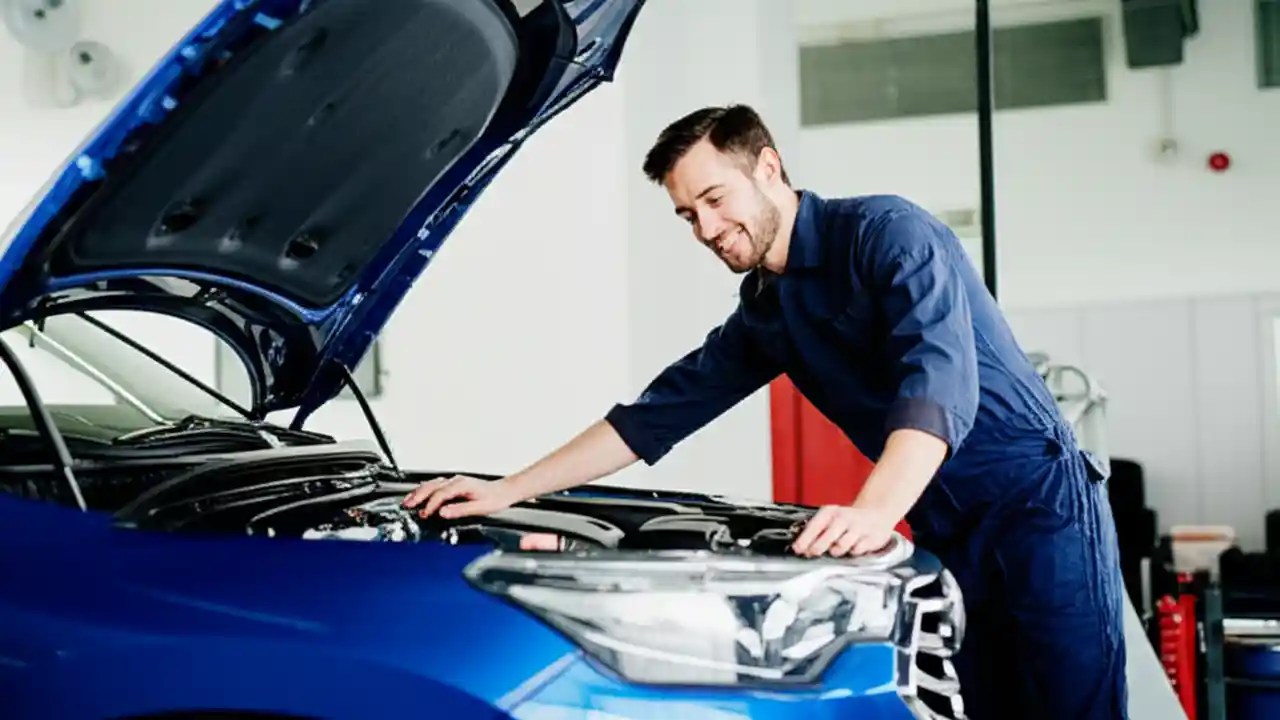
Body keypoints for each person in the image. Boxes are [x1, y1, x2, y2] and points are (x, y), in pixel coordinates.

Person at [403, 104, 1128, 718]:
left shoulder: (888, 233)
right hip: (945, 523)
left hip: (1040, 509)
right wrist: (506, 490)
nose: (706, 228)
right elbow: (653, 416)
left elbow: (938, 385)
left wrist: (872, 513)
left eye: (715, 199)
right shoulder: (766, 312)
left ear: (769, 168)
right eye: (688, 215)